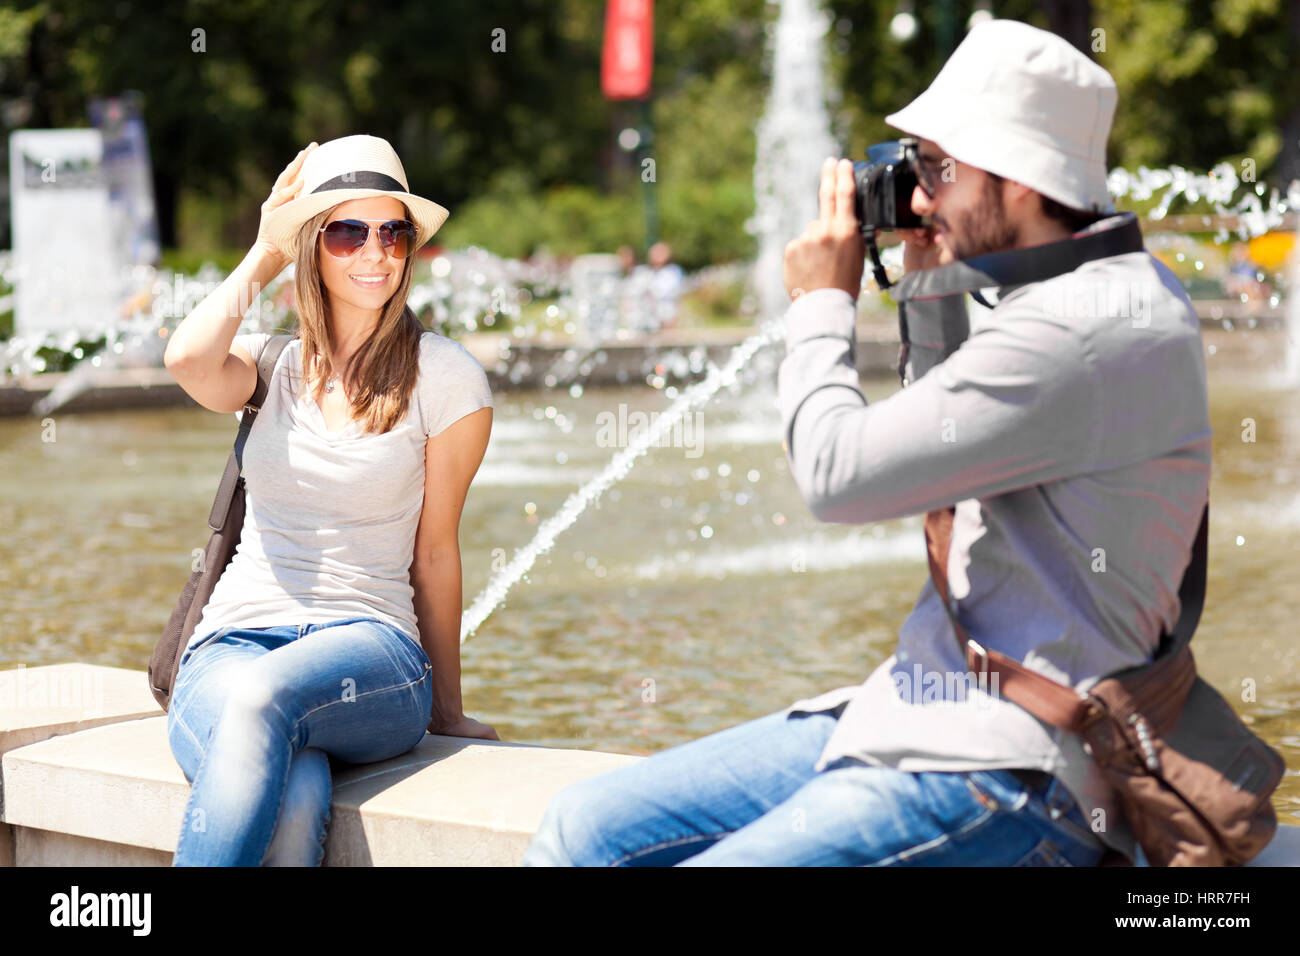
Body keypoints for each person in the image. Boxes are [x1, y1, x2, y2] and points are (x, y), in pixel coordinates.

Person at [523, 19, 1209, 866]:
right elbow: (940, 459)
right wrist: (927, 289)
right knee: (577, 830)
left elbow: (837, 477)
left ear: (1023, 182)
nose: (917, 197)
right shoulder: (1085, 289)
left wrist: (821, 303)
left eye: (935, 168)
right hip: (920, 710)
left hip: (1013, 766)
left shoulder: (1088, 324)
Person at [162, 134, 498, 866]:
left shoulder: (447, 379)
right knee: (300, 782)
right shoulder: (269, 365)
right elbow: (186, 358)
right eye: (347, 231)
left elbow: (436, 550)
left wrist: (447, 711)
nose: (374, 252)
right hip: (231, 643)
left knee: (262, 703)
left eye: (392, 232)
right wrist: (264, 253)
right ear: (314, 246)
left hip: (371, 650)